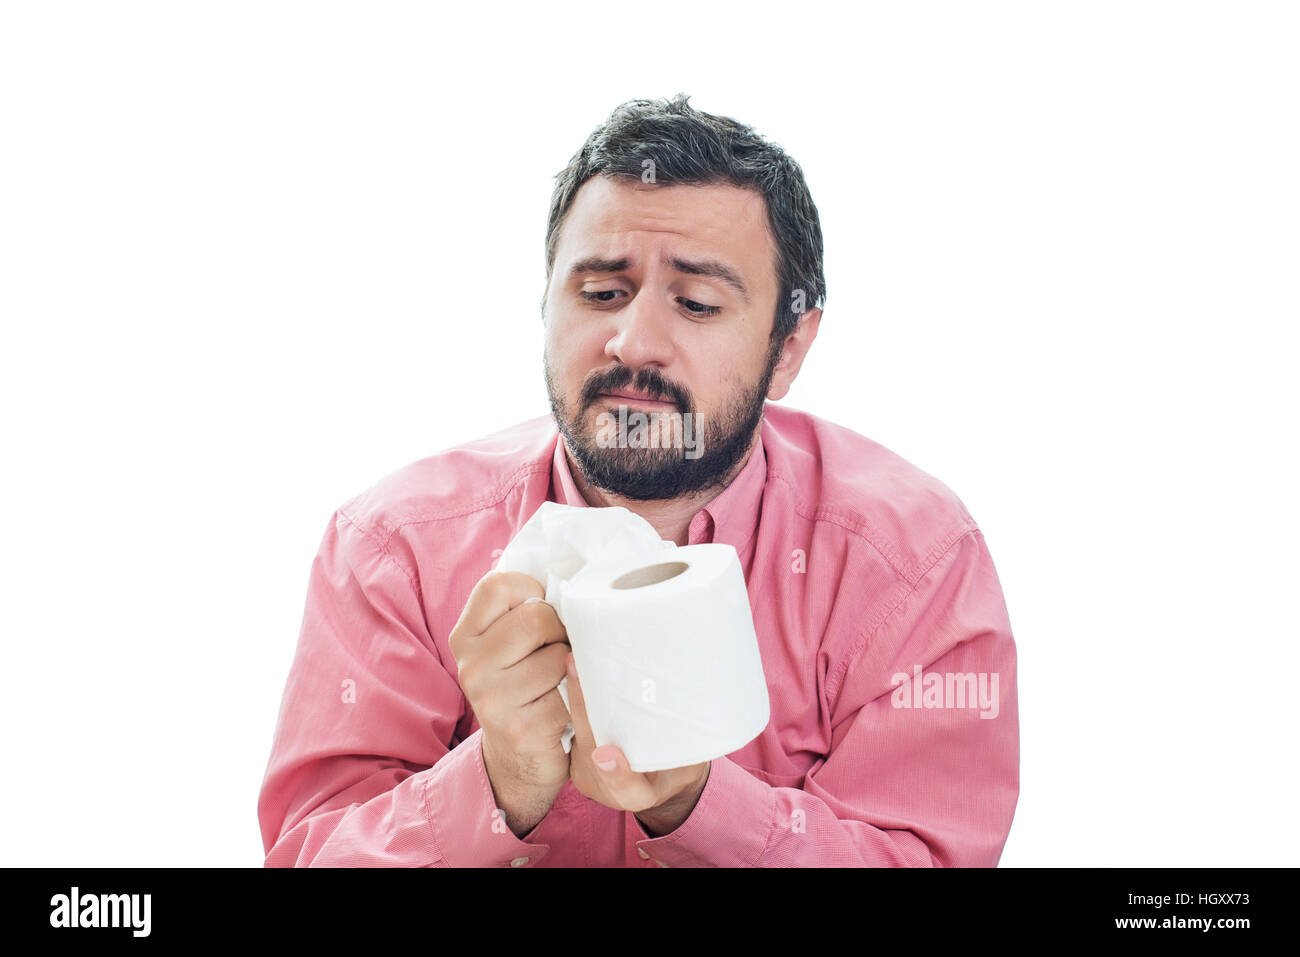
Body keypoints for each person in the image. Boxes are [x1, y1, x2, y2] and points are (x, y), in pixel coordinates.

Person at [257, 94, 1020, 867]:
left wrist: (696, 802)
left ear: (787, 349)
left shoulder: (914, 565)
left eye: (695, 303)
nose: (633, 341)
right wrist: (498, 781)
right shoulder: (393, 551)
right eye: (600, 293)